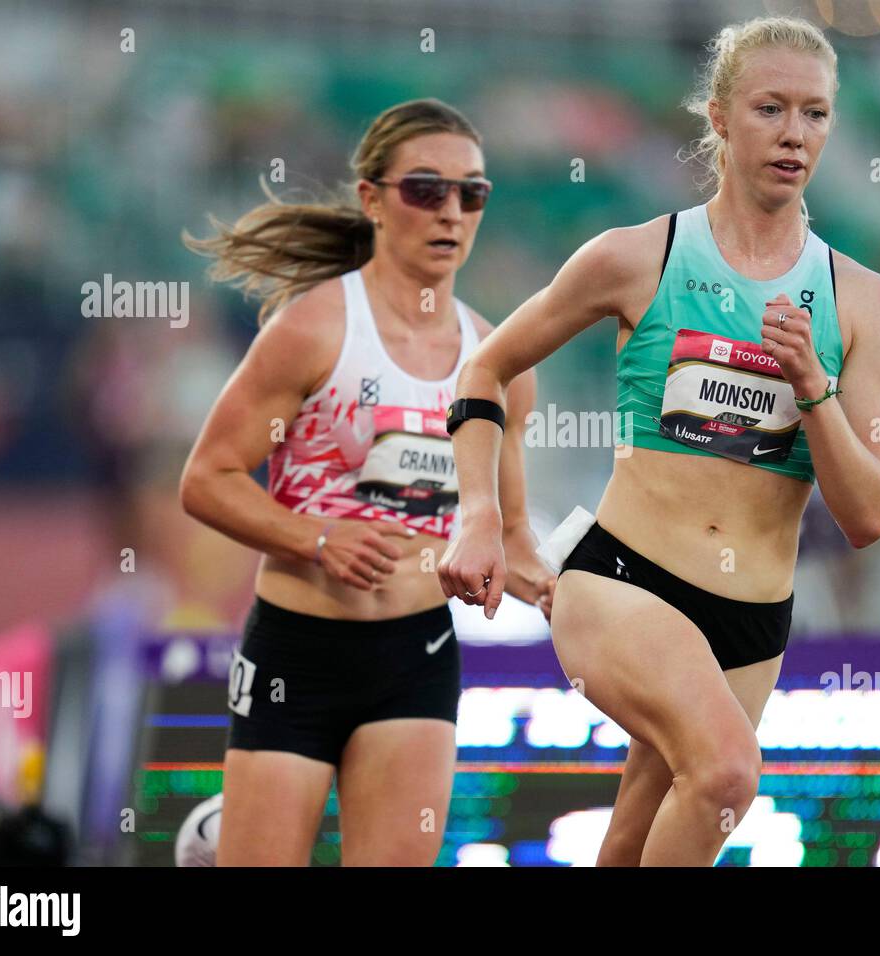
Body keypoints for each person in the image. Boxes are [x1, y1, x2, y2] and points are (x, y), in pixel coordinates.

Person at [439, 16, 880, 866]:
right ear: (719, 118)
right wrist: (490, 522)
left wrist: (814, 390)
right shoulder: (635, 258)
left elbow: (868, 514)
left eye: (816, 114)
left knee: (634, 844)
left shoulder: (860, 300)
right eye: (770, 109)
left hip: (755, 621)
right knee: (727, 774)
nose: (795, 134)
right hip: (622, 581)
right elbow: (484, 370)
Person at [179, 98, 555, 866]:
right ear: (371, 199)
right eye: (426, 189)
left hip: (414, 656)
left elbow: (510, 533)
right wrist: (316, 538)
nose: (451, 211)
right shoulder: (315, 329)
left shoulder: (498, 360)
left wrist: (565, 592)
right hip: (297, 653)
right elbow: (207, 478)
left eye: (471, 194)